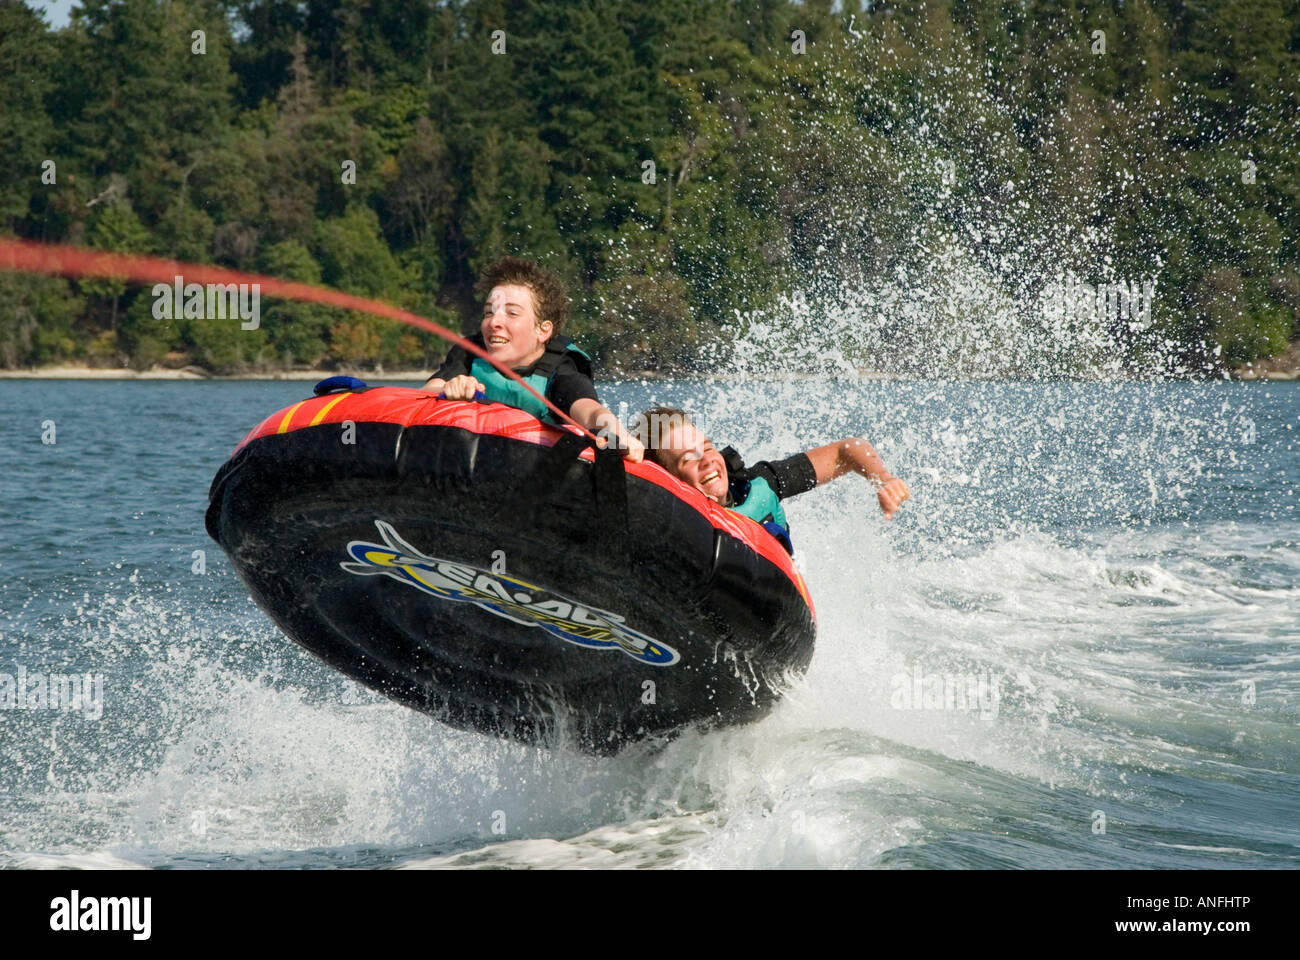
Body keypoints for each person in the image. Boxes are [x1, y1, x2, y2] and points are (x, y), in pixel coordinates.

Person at [421, 257, 643, 460]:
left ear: (543, 330)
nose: (494, 322)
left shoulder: (561, 369)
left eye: (512, 313)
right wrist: (450, 389)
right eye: (489, 312)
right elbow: (423, 395)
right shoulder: (469, 353)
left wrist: (617, 433)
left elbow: (590, 410)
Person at [636, 407, 910, 553]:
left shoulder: (759, 484)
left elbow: (846, 451)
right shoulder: (657, 522)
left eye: (707, 448)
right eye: (687, 459)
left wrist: (883, 479)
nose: (708, 460)